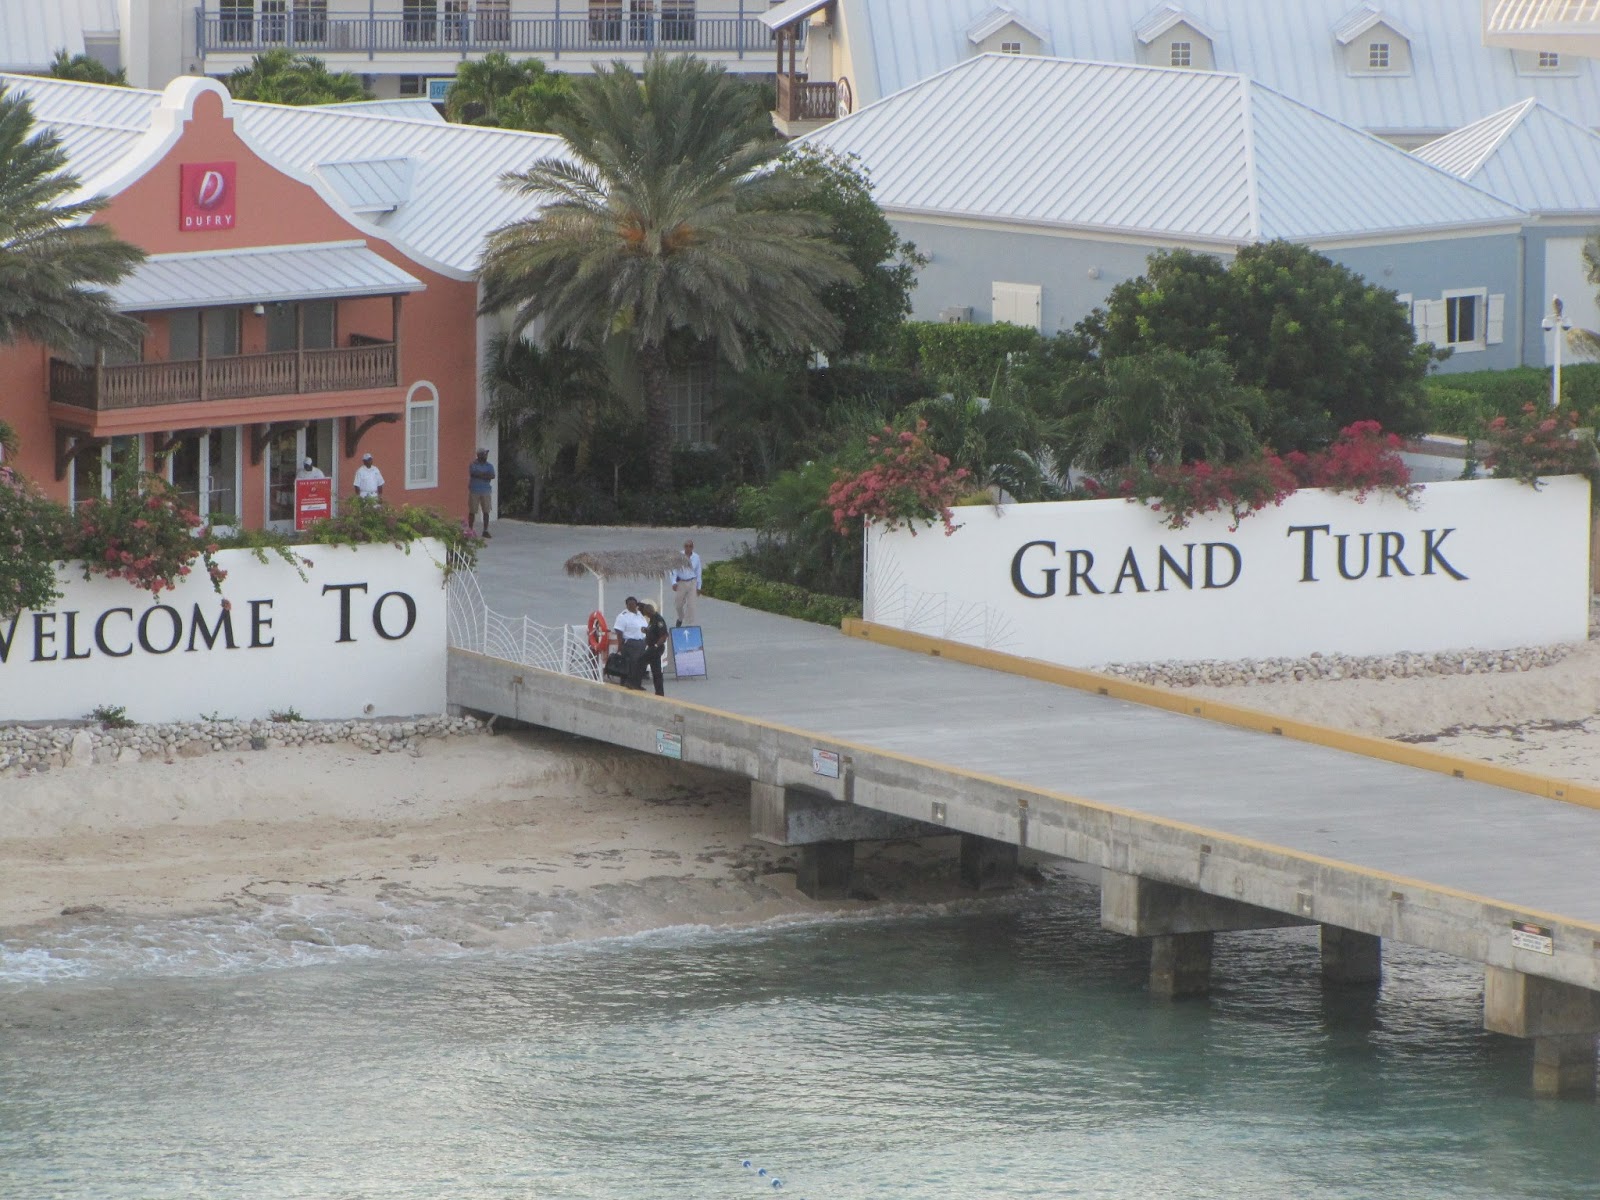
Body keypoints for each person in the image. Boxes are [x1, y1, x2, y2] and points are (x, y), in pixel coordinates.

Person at [612, 596, 649, 690]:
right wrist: (620, 645)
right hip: (630, 643)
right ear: (627, 605)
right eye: (629, 604)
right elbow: (619, 631)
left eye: (633, 604)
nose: (632, 606)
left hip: (642, 642)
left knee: (641, 664)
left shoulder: (640, 614)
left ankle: (637, 684)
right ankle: (629, 683)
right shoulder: (623, 616)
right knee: (632, 664)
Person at [638, 600, 669, 697]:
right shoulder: (652, 619)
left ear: (649, 612)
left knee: (640, 661)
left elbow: (663, 635)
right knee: (656, 670)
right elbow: (653, 631)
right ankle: (659, 692)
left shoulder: (659, 620)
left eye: (646, 613)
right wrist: (646, 630)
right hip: (652, 646)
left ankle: (634, 682)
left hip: (656, 648)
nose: (646, 615)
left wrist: (656, 645)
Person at [672, 539, 702, 628]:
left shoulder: (696, 557)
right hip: (681, 582)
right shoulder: (678, 556)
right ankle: (680, 618)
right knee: (678, 604)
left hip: (692, 582)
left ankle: (689, 625)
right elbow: (674, 570)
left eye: (690, 546)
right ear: (684, 547)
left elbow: (698, 571)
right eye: (686, 546)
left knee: (691, 605)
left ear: (693, 547)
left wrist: (699, 586)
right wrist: (673, 582)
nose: (688, 548)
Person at [468, 448, 495, 538]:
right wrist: (485, 475)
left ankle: (485, 530)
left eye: (486, 454)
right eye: (484, 454)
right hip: (474, 490)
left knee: (486, 511)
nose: (485, 456)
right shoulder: (473, 464)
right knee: (472, 511)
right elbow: (473, 473)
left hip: (486, 491)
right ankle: (470, 530)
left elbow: (492, 476)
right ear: (479, 455)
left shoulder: (489, 465)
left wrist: (481, 474)